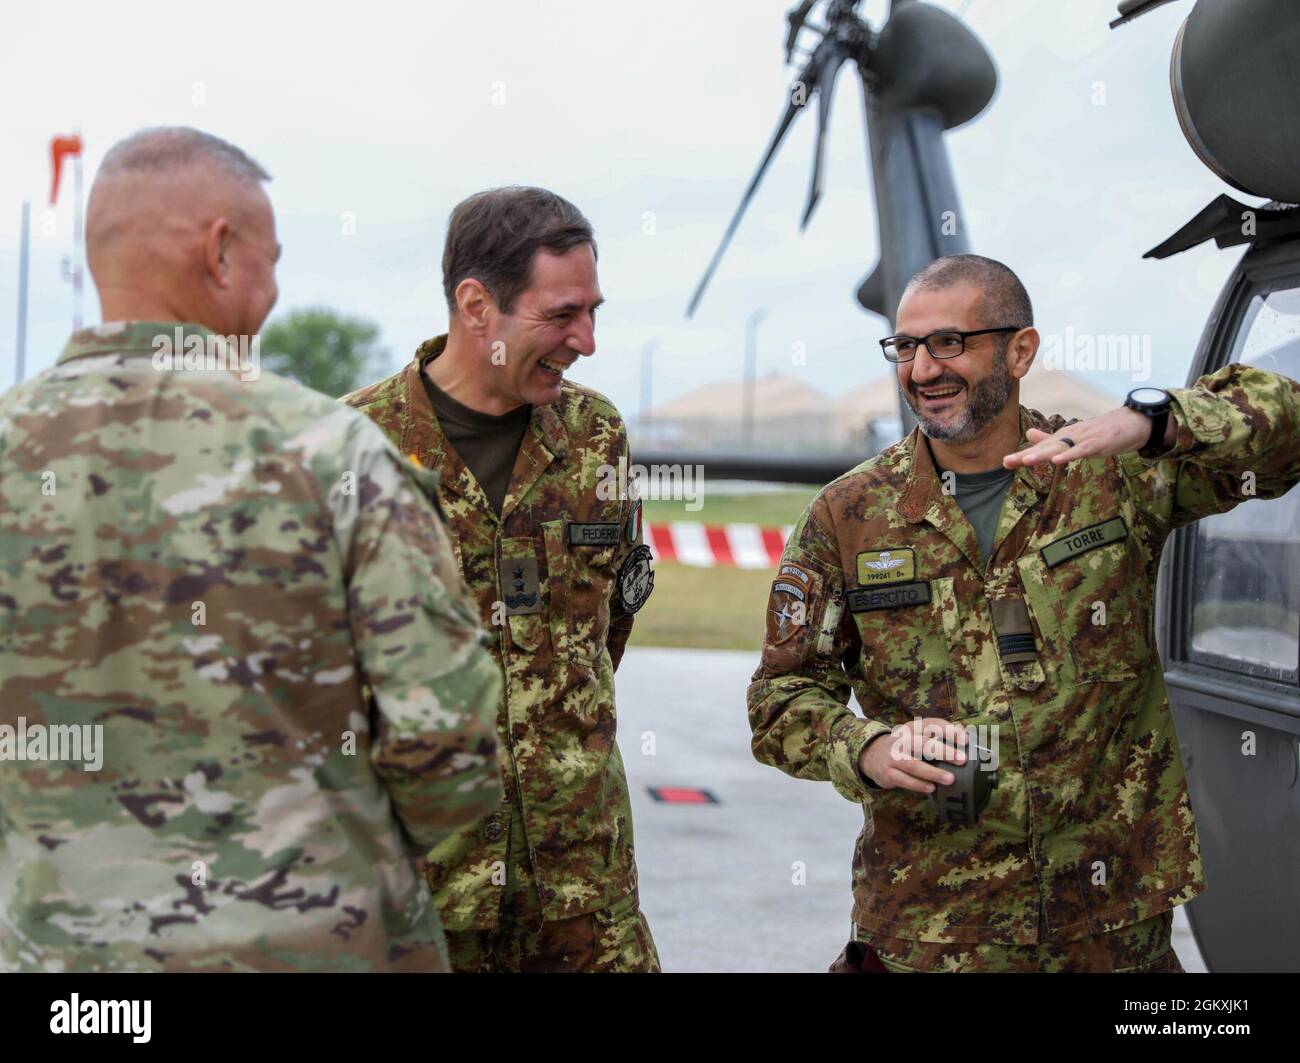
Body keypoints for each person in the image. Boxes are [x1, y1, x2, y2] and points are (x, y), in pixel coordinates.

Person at [0, 127, 502, 972]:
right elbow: (449, 744)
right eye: (273, 258)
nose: (274, 287)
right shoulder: (334, 456)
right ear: (222, 252)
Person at [747, 253, 1300, 973]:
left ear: (1021, 350)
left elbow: (1287, 426)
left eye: (948, 342)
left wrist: (1153, 423)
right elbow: (778, 701)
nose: (921, 370)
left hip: (1109, 924)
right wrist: (869, 748)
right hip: (935, 926)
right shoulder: (848, 515)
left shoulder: (1112, 474)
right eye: (906, 347)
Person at [342, 186, 659, 973]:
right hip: (421, 897)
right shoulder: (353, 451)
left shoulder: (596, 437)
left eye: (594, 310)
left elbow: (605, 628)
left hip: (583, 888)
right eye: (560, 315)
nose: (586, 339)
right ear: (476, 305)